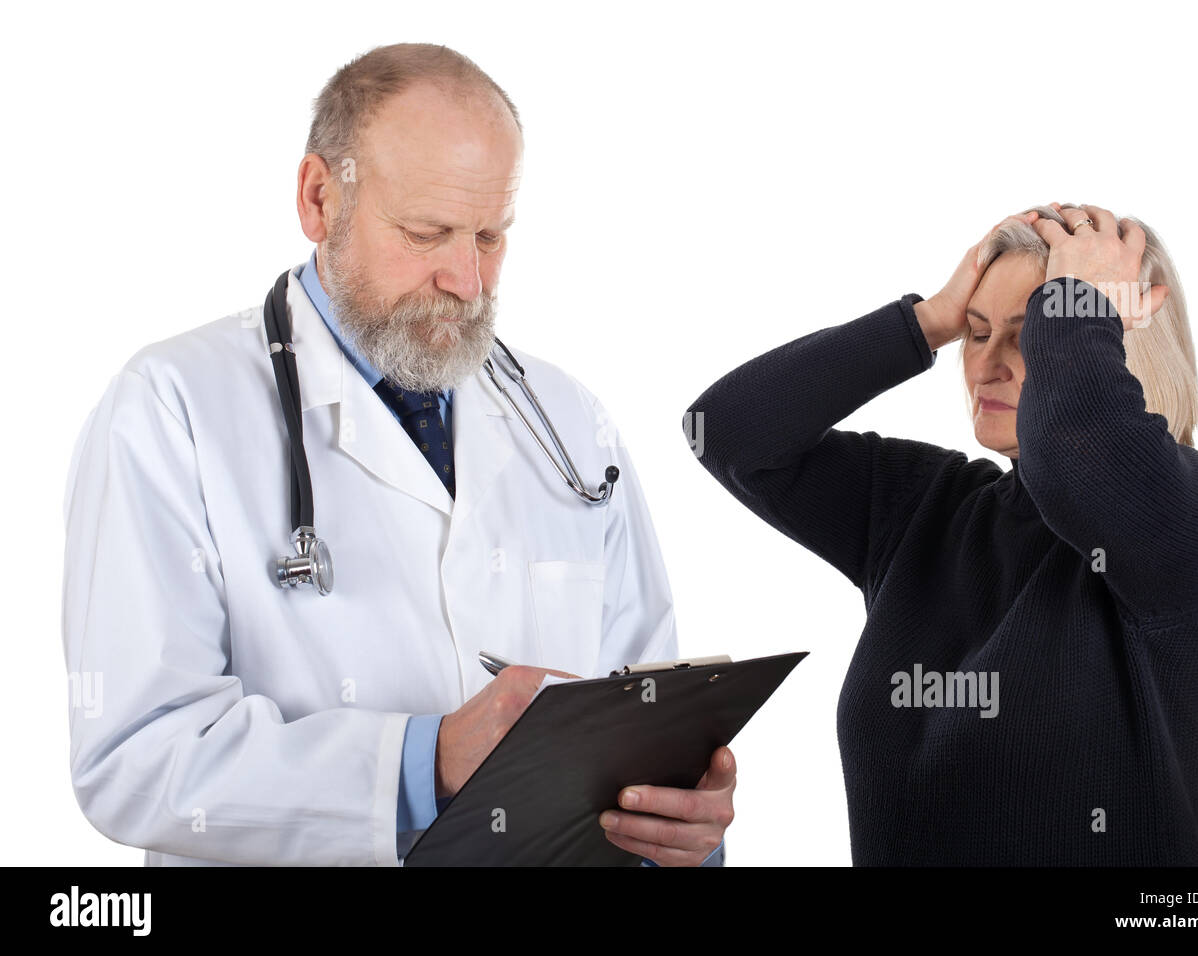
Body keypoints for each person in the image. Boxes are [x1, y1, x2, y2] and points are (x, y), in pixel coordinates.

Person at [61, 43, 733, 867]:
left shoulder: (567, 422)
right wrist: (426, 761)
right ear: (319, 199)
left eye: (492, 235)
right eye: (428, 233)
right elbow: (135, 759)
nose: (466, 278)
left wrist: (676, 824)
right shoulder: (171, 408)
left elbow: (647, 708)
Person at [683, 202, 1198, 865]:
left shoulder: (1195, 512)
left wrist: (1074, 303)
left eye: (1031, 333)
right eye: (978, 333)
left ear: (1114, 335)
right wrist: (924, 323)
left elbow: (1077, 458)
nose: (987, 365)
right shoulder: (926, 505)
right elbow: (723, 431)